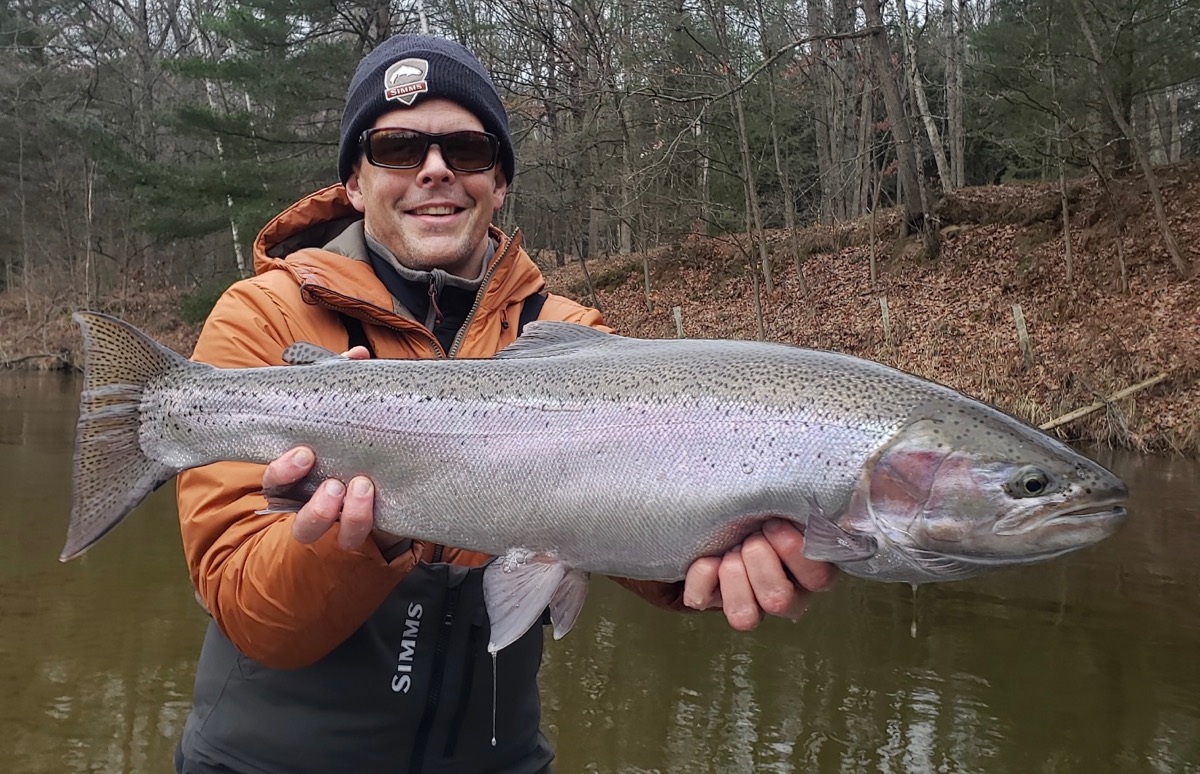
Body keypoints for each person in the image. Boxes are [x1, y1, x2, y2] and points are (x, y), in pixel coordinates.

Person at [172, 33, 836, 774]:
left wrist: (708, 556)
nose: (435, 170)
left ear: (499, 181)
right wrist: (356, 537)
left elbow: (625, 509)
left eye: (467, 149)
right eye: (397, 148)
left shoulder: (571, 337)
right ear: (354, 184)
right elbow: (250, 612)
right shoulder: (261, 317)